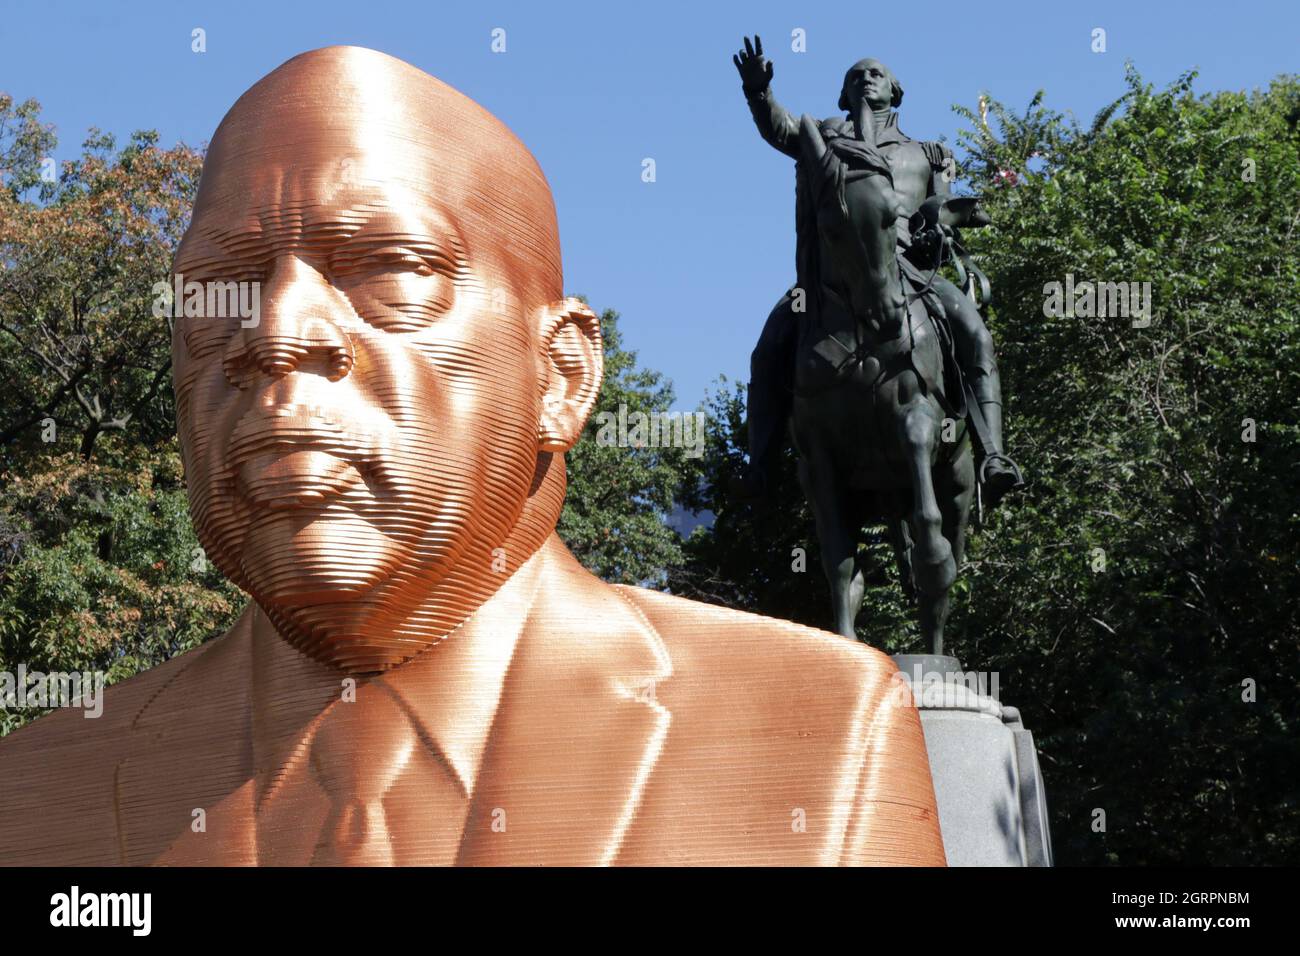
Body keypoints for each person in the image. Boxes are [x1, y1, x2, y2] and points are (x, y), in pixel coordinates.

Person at [0, 47, 944, 866]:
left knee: (966, 340)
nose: (276, 331)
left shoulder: (818, 738)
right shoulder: (36, 788)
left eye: (391, 267)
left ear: (562, 376)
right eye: (219, 288)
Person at [733, 37, 1024, 505]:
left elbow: (940, 201)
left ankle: (993, 455)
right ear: (843, 98)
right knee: (768, 349)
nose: (865, 78)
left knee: (974, 333)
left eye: (875, 73)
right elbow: (782, 130)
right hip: (836, 269)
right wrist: (758, 92)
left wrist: (941, 222)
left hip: (907, 265)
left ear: (896, 91)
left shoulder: (929, 153)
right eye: (854, 76)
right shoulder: (827, 136)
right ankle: (760, 464)